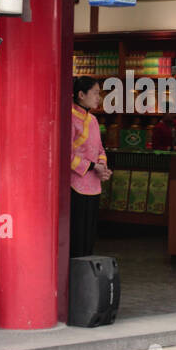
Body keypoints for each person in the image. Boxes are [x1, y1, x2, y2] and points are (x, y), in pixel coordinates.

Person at [69, 75, 111, 257]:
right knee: (77, 232)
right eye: (95, 93)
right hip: (75, 184)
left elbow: (100, 148)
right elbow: (65, 154)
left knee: (89, 232)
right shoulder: (69, 117)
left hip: (94, 184)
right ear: (81, 94)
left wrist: (102, 165)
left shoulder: (93, 120)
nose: (98, 97)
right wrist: (93, 166)